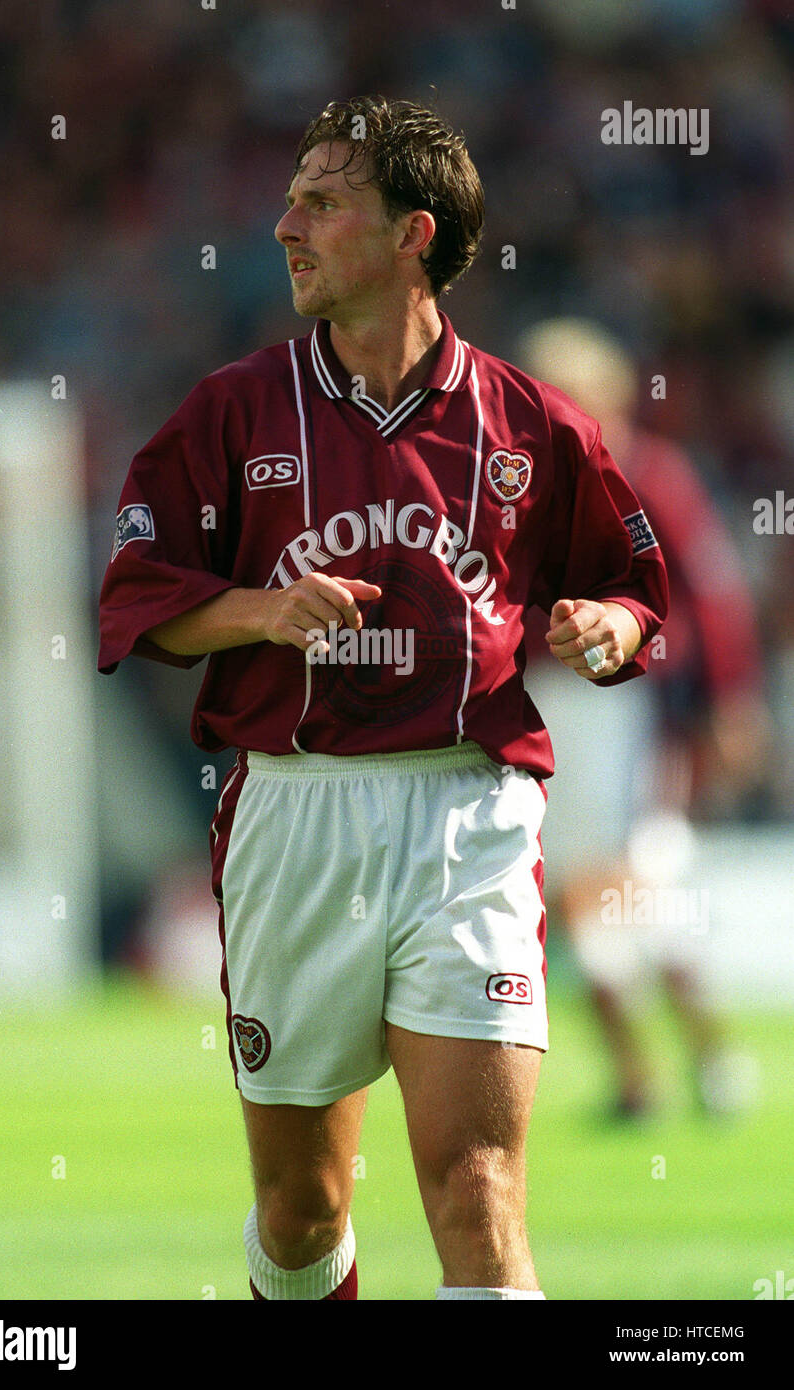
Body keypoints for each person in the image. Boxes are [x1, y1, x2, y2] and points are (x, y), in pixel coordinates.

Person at [98, 96, 668, 1300]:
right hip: (293, 818)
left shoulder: (530, 423)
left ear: (413, 233)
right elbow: (138, 594)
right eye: (290, 194)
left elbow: (632, 587)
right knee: (303, 1215)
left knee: (476, 1187)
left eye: (319, 199)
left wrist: (605, 627)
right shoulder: (233, 411)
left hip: (468, 814)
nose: (283, 223)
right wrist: (261, 607)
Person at [518, 318, 769, 1119]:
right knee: (585, 895)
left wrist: (729, 701)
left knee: (628, 885)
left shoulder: (650, 476)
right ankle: (649, 1072)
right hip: (550, 704)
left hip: (626, 706)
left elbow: (710, 593)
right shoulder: (519, 482)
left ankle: (692, 1059)